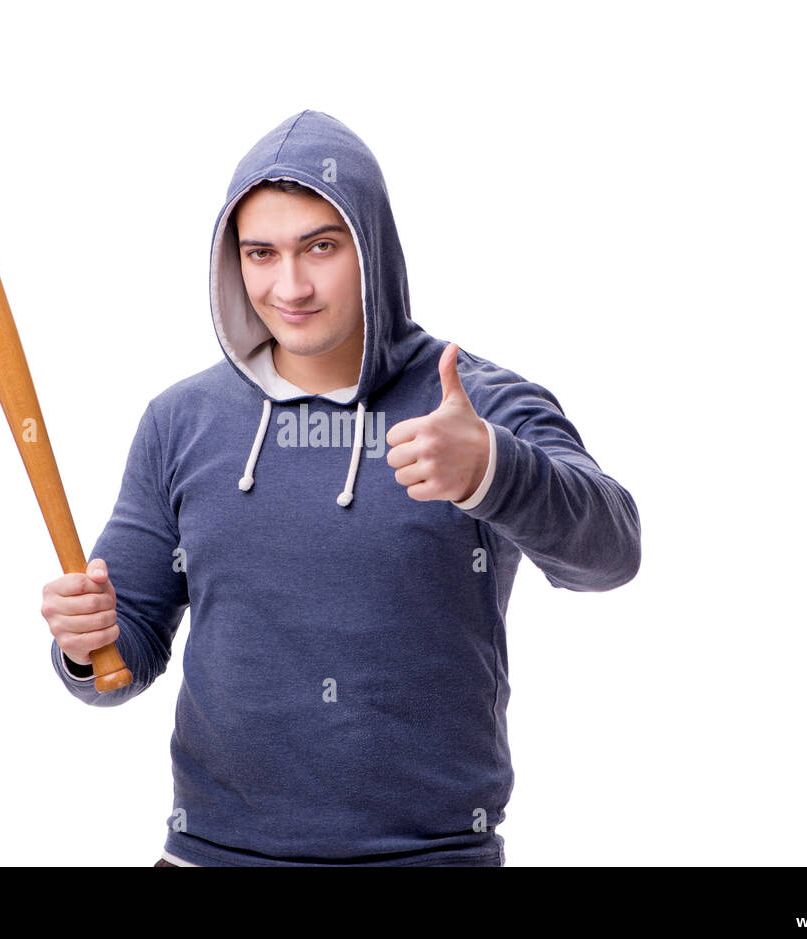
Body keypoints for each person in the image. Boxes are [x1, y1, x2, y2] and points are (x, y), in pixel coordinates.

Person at [40, 109, 641, 867]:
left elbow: (612, 553)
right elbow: (121, 661)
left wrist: (493, 469)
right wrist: (88, 644)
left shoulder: (476, 404)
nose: (288, 286)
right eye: (261, 253)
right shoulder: (178, 421)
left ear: (373, 251)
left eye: (320, 248)